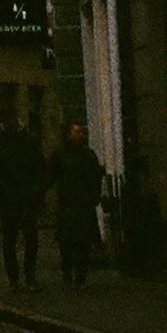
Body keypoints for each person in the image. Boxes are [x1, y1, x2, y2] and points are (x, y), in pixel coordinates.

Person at [0, 114, 48, 287]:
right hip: (8, 199)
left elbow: (40, 167)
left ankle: (29, 276)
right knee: (10, 240)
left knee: (30, 238)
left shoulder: (28, 141)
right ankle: (14, 278)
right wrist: (3, 191)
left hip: (27, 198)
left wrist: (35, 189)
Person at [49, 118, 106, 288]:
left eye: (81, 132)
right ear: (67, 135)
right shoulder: (60, 155)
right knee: (66, 245)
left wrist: (94, 197)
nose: (80, 134)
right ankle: (67, 276)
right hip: (67, 204)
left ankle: (80, 276)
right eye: (76, 132)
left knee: (83, 243)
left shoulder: (88, 155)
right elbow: (51, 176)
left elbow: (95, 177)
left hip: (84, 204)